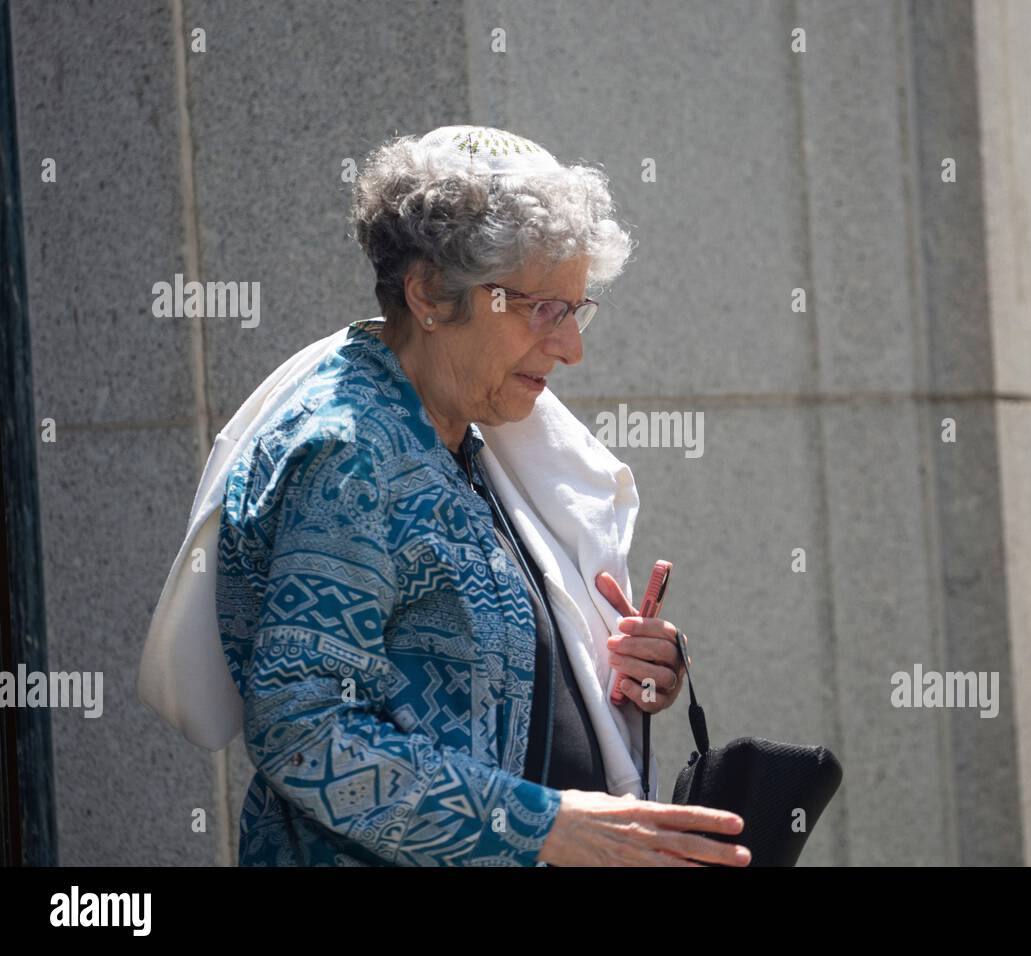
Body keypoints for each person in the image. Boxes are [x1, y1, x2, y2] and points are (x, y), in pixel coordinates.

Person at [215, 125, 750, 866]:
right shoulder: (352, 455)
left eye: (577, 309)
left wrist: (622, 667)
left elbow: (472, 669)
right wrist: (543, 825)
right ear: (432, 293)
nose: (572, 347)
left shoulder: (462, 428)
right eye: (543, 310)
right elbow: (303, 731)